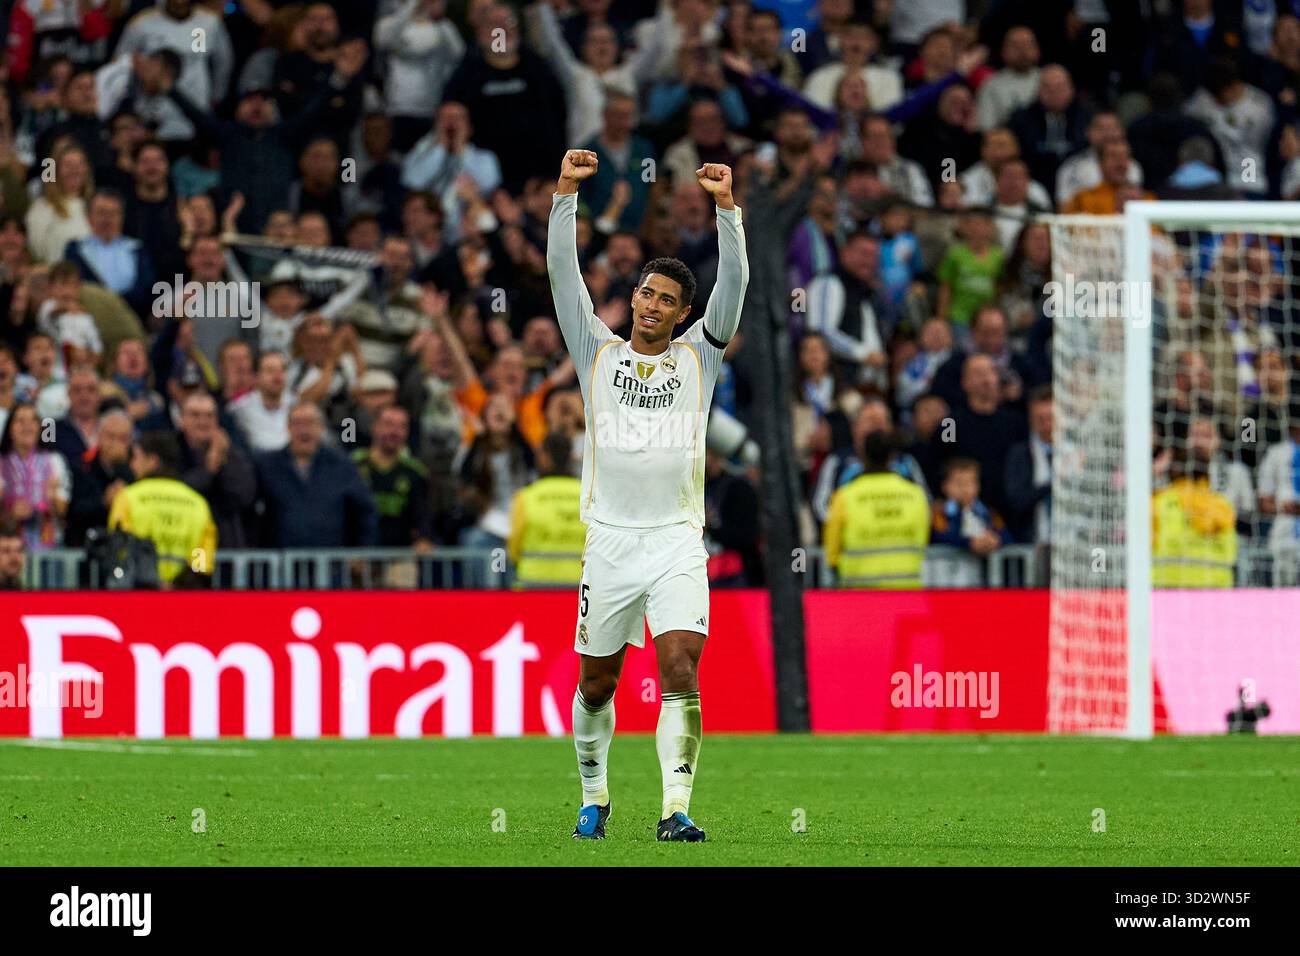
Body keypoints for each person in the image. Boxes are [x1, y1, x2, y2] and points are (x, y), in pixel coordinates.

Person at [547, 149, 747, 843]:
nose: (655, 306)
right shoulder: (596, 351)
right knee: (597, 682)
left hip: (675, 541)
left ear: (685, 311)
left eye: (669, 300)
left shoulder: (701, 355)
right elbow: (561, 278)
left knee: (681, 667)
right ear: (632, 298)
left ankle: (675, 809)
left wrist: (728, 212)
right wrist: (566, 195)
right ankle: (595, 795)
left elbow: (737, 286)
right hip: (608, 540)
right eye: (647, 294)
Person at [108, 430, 218, 587]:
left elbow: (120, 548)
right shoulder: (197, 503)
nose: (132, 464)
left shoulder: (128, 497)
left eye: (136, 457)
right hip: (184, 595)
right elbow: (201, 560)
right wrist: (176, 584)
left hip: (138, 592)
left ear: (153, 461)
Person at [822, 431, 930, 589]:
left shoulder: (845, 496)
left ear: (861, 455)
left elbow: (832, 550)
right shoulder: (915, 494)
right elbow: (923, 538)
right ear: (892, 456)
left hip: (861, 594)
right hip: (907, 590)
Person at [506, 430, 585, 588]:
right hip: (579, 590)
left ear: (544, 457)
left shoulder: (526, 497)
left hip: (532, 588)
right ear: (571, 457)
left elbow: (513, 550)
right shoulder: (589, 497)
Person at [1152, 448, 1238, 589]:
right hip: (1215, 590)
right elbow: (1231, 552)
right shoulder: (1221, 505)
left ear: (1172, 471)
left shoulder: (1160, 502)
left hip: (1167, 589)